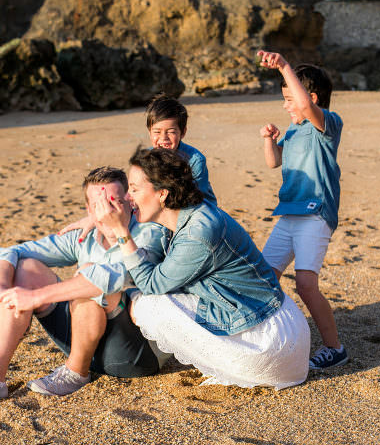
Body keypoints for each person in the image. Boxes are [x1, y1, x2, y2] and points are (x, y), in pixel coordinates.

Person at [0, 167, 167, 403]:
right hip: (90, 347)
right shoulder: (85, 235)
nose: (106, 211)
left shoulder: (150, 232)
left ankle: (76, 372)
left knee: (88, 278)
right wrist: (2, 292)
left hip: (135, 357)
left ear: (130, 202)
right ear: (88, 210)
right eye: (98, 205)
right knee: (27, 269)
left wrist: (35, 298)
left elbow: (110, 277)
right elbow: (13, 252)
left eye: (114, 202)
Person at [94, 147, 310, 389]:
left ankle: (236, 369)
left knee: (148, 307)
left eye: (134, 189)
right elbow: (149, 258)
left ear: (162, 193)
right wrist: (96, 219)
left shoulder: (199, 233)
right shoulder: (181, 215)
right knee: (145, 296)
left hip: (270, 345)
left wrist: (121, 231)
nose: (127, 197)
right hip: (263, 323)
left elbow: (151, 284)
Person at [257, 49, 348, 370]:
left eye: (289, 99)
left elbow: (307, 107)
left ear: (311, 97)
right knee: (264, 278)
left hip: (315, 214)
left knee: (306, 285)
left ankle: (335, 348)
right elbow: (274, 161)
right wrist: (269, 140)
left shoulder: (328, 124)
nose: (286, 105)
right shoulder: (294, 130)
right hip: (289, 214)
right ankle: (273, 338)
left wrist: (283, 65)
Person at [58, 94, 216, 241]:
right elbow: (132, 193)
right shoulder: (146, 159)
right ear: (149, 132)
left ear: (183, 132)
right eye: (157, 132)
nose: (163, 138)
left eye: (171, 132)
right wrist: (95, 217)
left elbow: (194, 200)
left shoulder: (195, 160)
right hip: (158, 210)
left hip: (195, 213)